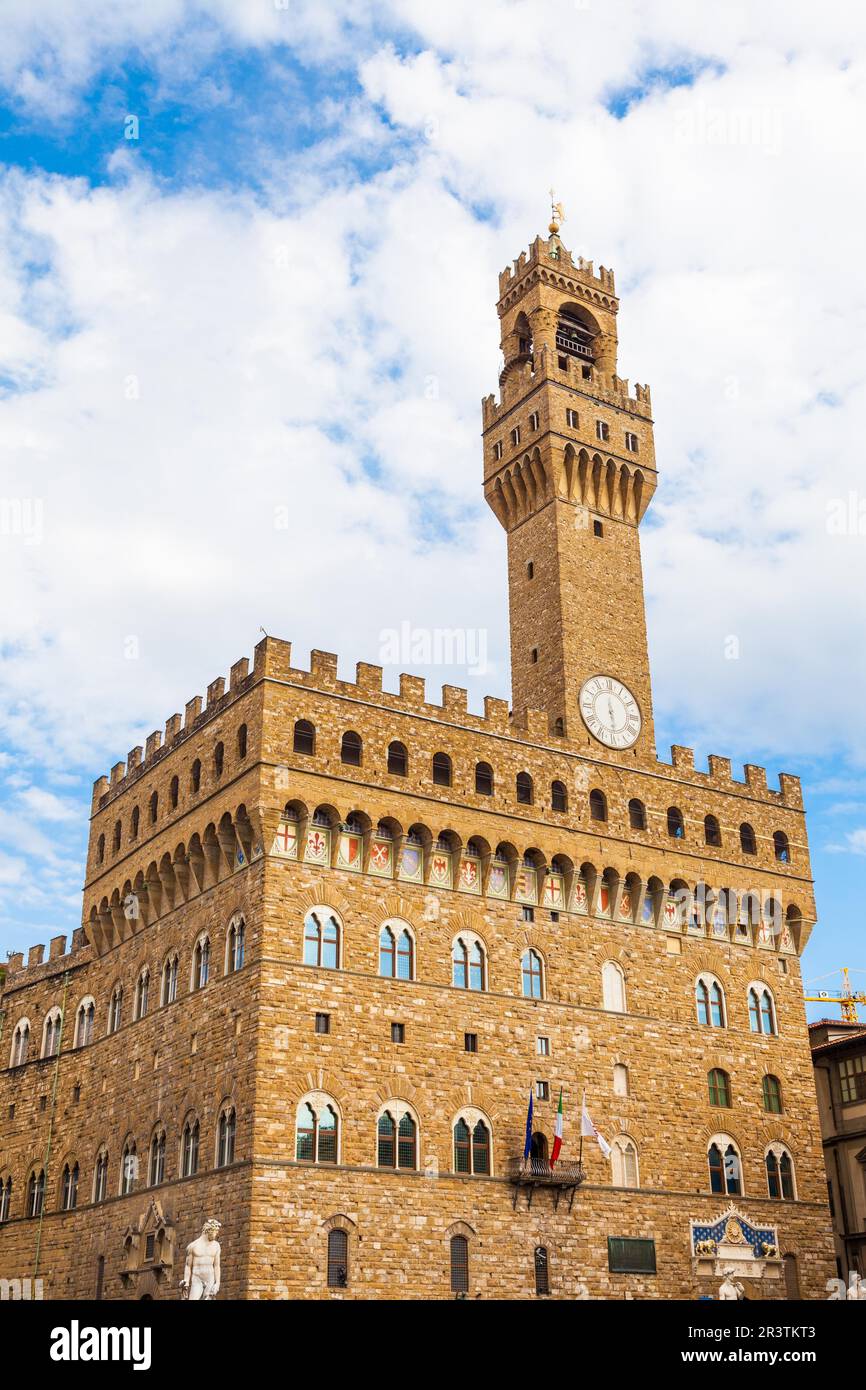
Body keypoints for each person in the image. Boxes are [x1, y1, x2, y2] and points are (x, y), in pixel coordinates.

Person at [181, 1218, 222, 1300]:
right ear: (209, 1230)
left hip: (210, 1278)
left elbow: (217, 1266)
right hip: (197, 1279)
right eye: (215, 1232)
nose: (216, 1234)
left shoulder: (216, 1246)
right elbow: (188, 1266)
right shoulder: (193, 1246)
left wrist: (217, 1283)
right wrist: (186, 1281)